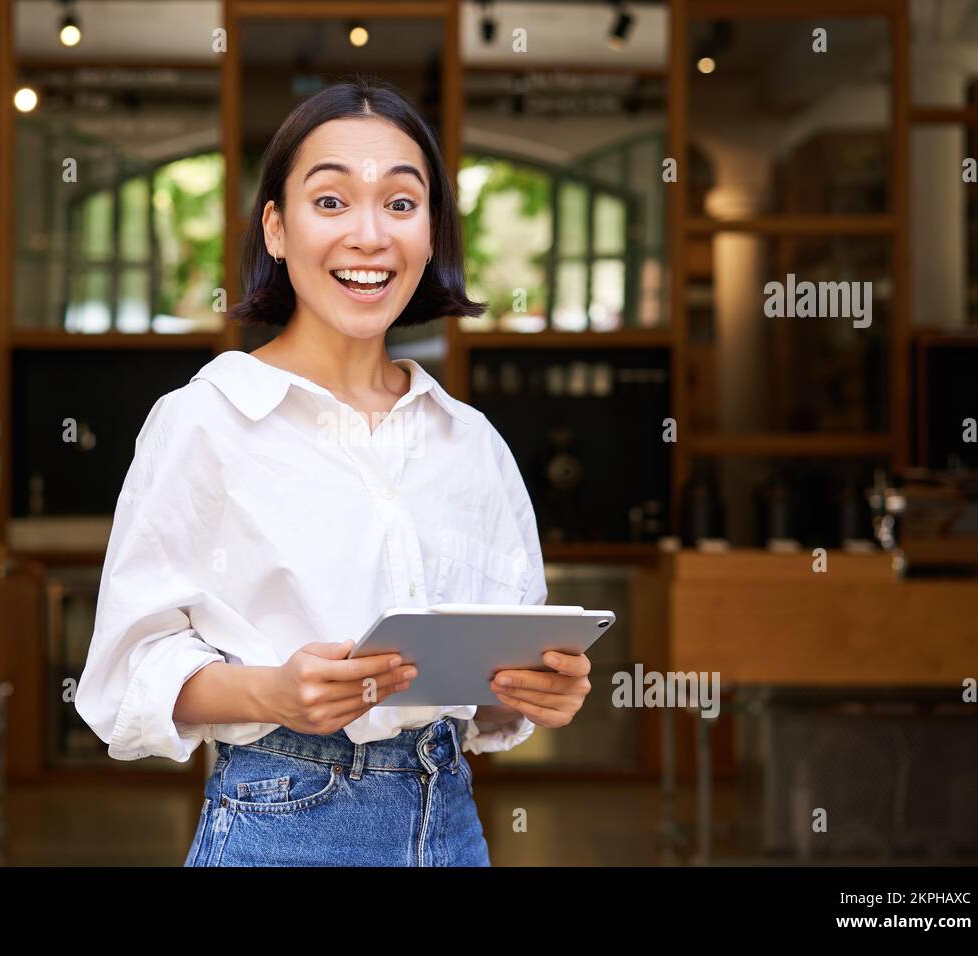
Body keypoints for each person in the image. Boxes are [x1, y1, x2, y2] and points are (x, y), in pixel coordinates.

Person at [75, 77, 593, 867]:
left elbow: (496, 671)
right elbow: (123, 673)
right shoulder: (205, 421)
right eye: (330, 201)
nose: (369, 236)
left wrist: (535, 690)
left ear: (430, 234)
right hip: (281, 819)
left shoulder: (471, 443)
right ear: (276, 229)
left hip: (450, 824)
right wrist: (270, 693)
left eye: (399, 203)